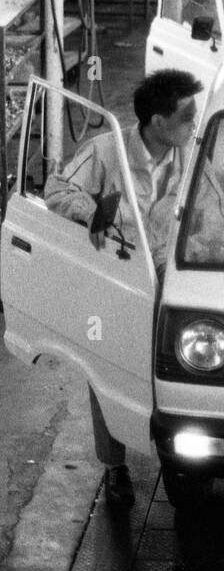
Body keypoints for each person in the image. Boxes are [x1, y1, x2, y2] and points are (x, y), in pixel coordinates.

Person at [44, 70, 203, 507]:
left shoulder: (190, 155)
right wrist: (92, 212)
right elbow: (56, 191)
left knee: (175, 369)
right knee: (109, 369)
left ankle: (179, 459)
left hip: (169, 279)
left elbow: (217, 205)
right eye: (187, 116)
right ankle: (115, 467)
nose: (195, 123)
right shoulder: (104, 150)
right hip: (119, 278)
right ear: (156, 121)